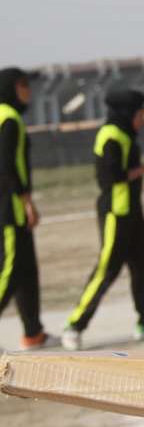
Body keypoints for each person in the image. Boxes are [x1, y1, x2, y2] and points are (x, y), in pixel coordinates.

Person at [62, 87, 144, 350]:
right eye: (141, 114)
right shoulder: (110, 135)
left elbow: (129, 172)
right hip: (116, 213)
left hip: (132, 212)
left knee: (143, 265)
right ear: (128, 113)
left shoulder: (126, 134)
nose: (143, 119)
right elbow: (111, 177)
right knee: (107, 269)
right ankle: (74, 325)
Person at [0, 67, 57, 350]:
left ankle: (33, 333)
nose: (28, 90)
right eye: (23, 85)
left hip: (10, 203)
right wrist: (27, 202)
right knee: (10, 271)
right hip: (9, 206)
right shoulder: (9, 120)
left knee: (25, 271)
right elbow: (7, 166)